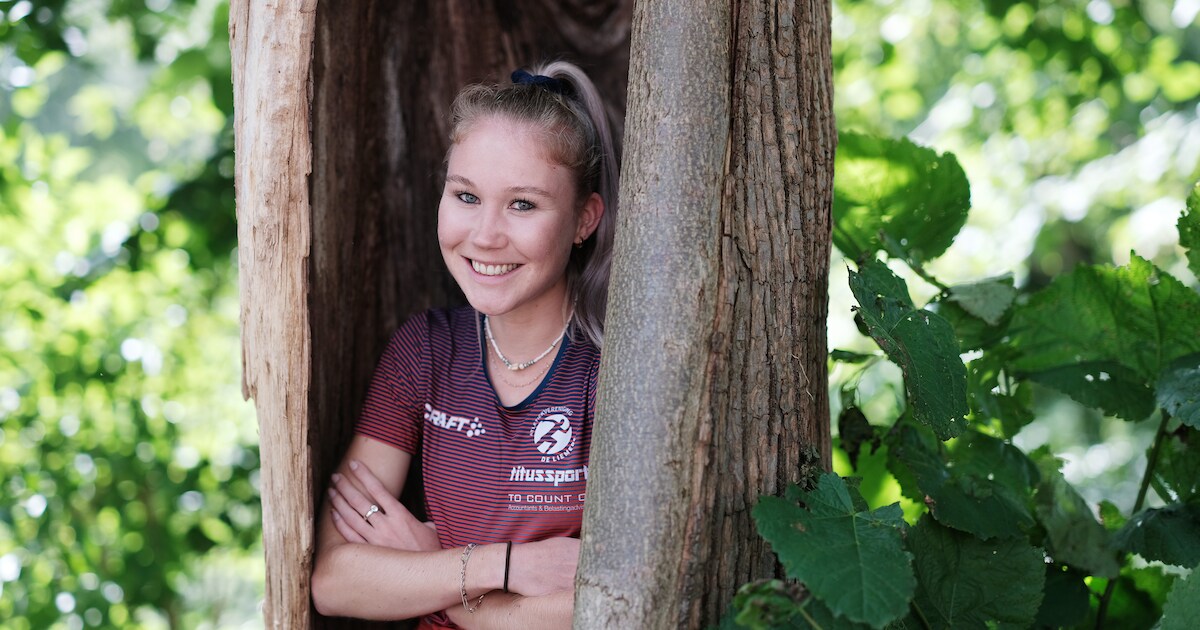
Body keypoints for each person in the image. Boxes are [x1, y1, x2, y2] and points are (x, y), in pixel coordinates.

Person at [310, 60, 620, 629]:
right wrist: (501, 567)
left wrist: (433, 570)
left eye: (522, 204)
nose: (484, 235)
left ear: (585, 219)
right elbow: (335, 580)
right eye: (467, 196)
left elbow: (612, 605)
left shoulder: (614, 372)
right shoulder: (425, 352)